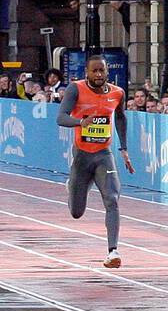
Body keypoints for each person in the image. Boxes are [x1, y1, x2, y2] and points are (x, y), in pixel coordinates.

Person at [56, 54, 134, 268]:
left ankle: (113, 251)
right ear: (87, 73)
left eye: (102, 70)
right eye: (95, 71)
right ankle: (74, 186)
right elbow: (61, 118)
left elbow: (120, 117)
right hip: (82, 155)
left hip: (103, 155)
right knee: (76, 212)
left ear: (107, 72)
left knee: (112, 199)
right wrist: (80, 122)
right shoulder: (75, 89)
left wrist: (124, 148)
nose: (99, 74)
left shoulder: (118, 93)